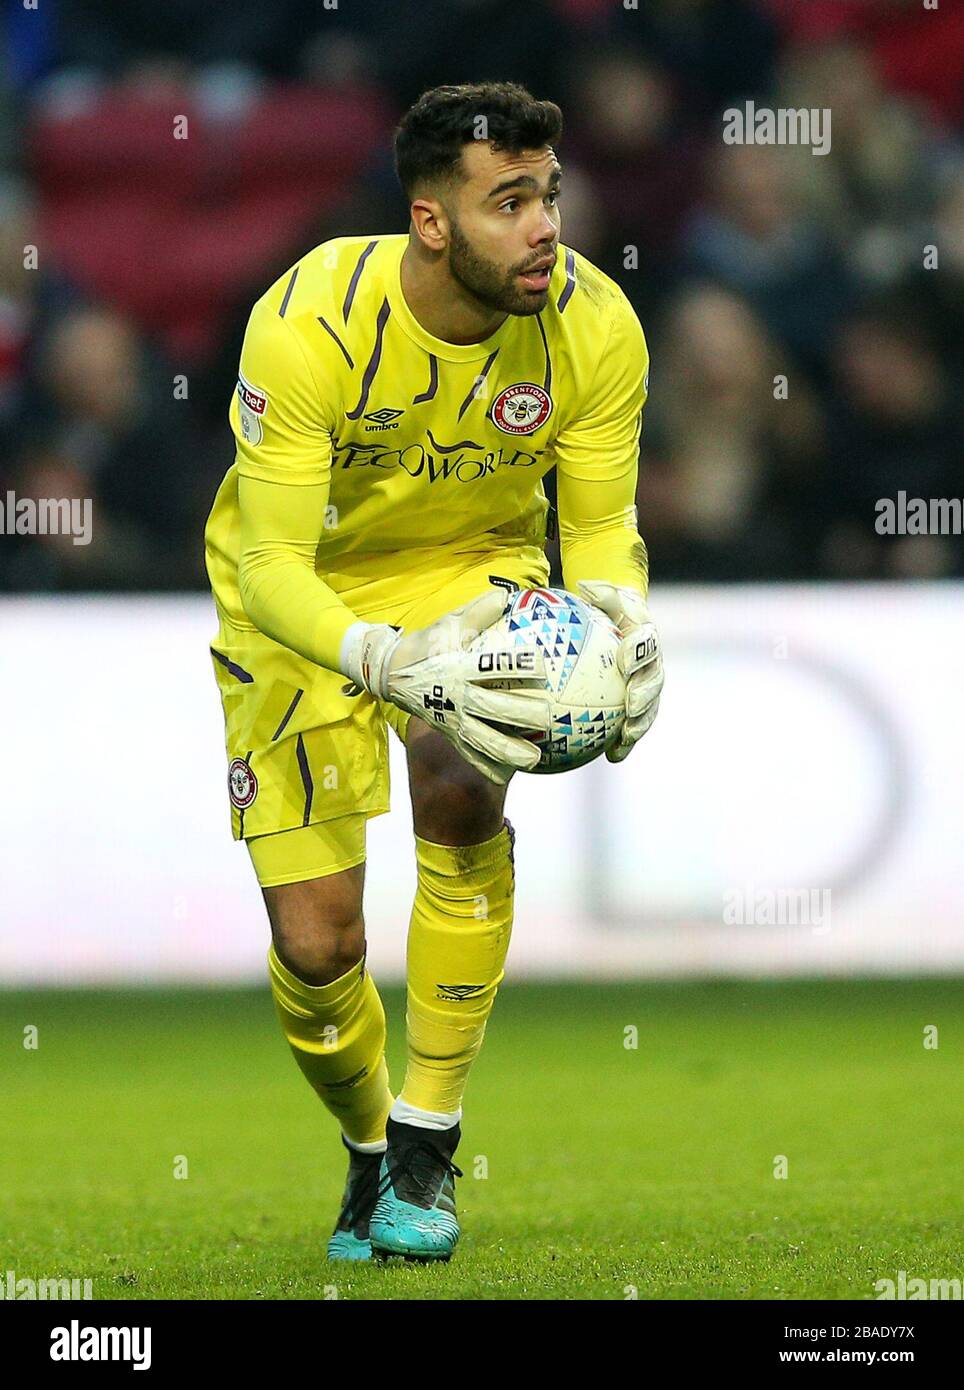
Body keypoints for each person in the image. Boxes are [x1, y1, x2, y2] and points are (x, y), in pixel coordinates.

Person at [203, 80, 663, 1263]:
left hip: (471, 566)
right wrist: (382, 662)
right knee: (317, 950)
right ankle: (365, 1151)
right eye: (507, 202)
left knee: (461, 778)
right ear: (430, 222)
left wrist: (624, 621)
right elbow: (271, 563)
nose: (544, 227)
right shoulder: (308, 321)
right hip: (302, 602)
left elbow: (600, 529)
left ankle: (426, 1144)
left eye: (548, 196)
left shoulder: (594, 323)